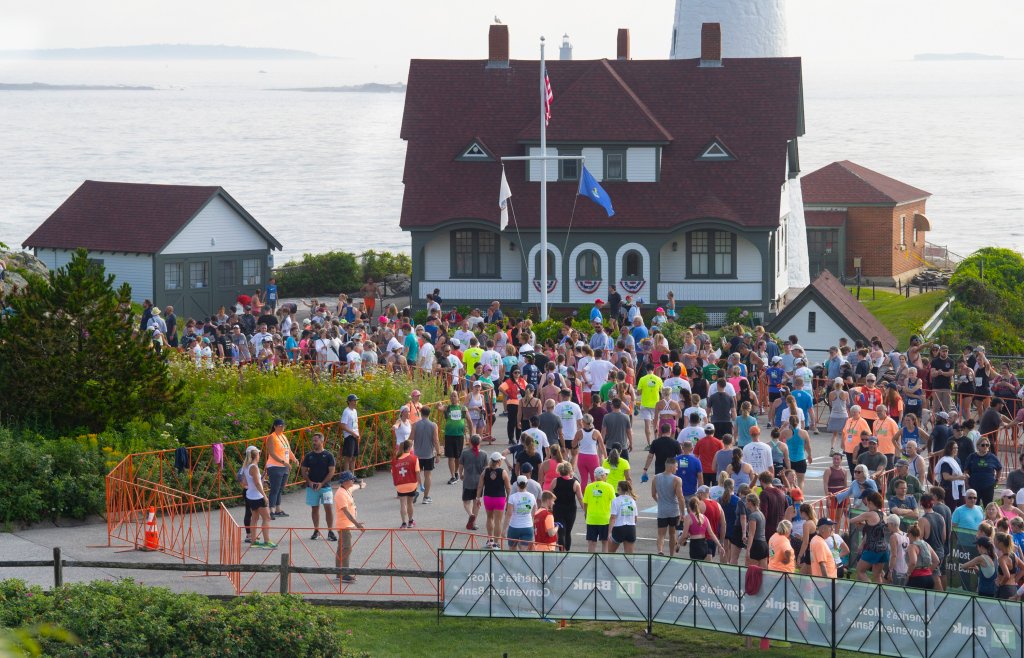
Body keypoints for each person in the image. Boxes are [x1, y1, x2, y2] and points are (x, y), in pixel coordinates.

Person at [301, 432, 337, 541]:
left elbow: (331, 472)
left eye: (316, 441)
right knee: (314, 509)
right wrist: (310, 482)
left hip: (325, 487)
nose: (314, 443)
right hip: (312, 487)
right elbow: (303, 471)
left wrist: (322, 483)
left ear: (322, 441)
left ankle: (330, 531)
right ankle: (316, 530)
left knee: (328, 508)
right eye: (313, 441)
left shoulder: (329, 455)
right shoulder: (309, 456)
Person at [242, 446, 276, 549]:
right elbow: (256, 483)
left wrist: (261, 482)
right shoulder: (254, 467)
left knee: (255, 518)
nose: (259, 456)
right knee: (267, 518)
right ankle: (266, 541)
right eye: (258, 454)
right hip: (257, 496)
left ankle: (253, 541)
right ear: (256, 455)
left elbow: (245, 482)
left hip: (250, 495)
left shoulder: (246, 467)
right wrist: (265, 496)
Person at [334, 471, 365, 584]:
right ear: (346, 481)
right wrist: (357, 525)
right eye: (352, 479)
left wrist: (361, 485)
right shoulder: (340, 494)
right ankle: (344, 574)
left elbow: (355, 487)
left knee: (341, 549)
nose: (353, 480)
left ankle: (338, 572)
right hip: (344, 526)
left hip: (346, 525)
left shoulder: (346, 489)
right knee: (347, 549)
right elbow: (346, 512)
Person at [264, 419, 299, 519]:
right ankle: (271, 511)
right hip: (275, 466)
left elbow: (288, 450)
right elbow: (272, 453)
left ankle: (278, 509)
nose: (282, 428)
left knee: (280, 489)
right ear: (275, 426)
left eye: (283, 426)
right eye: (280, 426)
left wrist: (294, 459)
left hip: (284, 467)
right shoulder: (271, 437)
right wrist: (284, 462)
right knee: (275, 489)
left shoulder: (283, 436)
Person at [852, 492, 888, 583]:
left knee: (860, 571)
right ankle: (879, 595)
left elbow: (851, 520)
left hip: (872, 548)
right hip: (883, 548)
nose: (866, 505)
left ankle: (870, 591)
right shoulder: (883, 514)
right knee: (877, 576)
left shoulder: (869, 514)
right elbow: (876, 526)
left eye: (867, 503)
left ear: (871, 503)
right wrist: (865, 524)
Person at [478, 452, 511, 549]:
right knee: (498, 521)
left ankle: (490, 539)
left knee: (489, 518)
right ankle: (496, 543)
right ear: (499, 461)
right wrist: (509, 499)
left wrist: (477, 498)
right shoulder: (503, 472)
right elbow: (508, 488)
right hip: (499, 498)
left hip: (488, 497)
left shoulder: (485, 471)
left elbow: (480, 486)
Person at [550, 461, 584, 551]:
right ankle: (567, 550)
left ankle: (561, 550)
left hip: (558, 509)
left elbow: (550, 495)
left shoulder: (555, 481)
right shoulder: (575, 483)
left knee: (561, 531)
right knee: (568, 531)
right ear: (570, 471)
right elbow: (580, 498)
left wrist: (548, 508)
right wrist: (585, 510)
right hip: (571, 510)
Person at [652, 465, 685, 556]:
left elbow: (653, 494)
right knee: (672, 534)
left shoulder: (656, 478)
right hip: (674, 510)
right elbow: (680, 497)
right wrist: (682, 513)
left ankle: (660, 550)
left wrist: (660, 502)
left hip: (662, 510)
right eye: (676, 467)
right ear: (671, 467)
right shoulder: (677, 479)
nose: (677, 469)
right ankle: (671, 555)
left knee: (661, 534)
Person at [917, 494, 947, 591]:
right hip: (940, 551)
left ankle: (941, 602)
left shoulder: (922, 520)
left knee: (935, 579)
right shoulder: (941, 517)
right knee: (932, 580)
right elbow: (944, 537)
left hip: (930, 554)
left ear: (921, 504)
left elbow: (919, 541)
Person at [411, 406, 440, 504]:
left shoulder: (415, 425)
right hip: (428, 454)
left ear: (420, 413)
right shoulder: (433, 425)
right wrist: (438, 453)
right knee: (428, 475)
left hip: (417, 455)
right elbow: (436, 440)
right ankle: (426, 497)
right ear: (429, 413)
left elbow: (411, 438)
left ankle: (414, 492)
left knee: (416, 475)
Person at [583, 467, 616, 553]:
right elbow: (614, 503)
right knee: (605, 542)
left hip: (591, 519)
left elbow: (585, 503)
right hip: (604, 519)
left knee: (591, 543)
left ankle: (591, 562)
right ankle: (603, 562)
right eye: (606, 474)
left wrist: (586, 514)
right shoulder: (609, 487)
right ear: (602, 476)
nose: (606, 476)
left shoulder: (589, 487)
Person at [680, 495, 723, 561]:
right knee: (704, 569)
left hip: (695, 546)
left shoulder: (688, 518)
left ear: (689, 507)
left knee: (696, 569)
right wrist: (720, 546)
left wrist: (678, 544)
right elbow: (712, 534)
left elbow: (684, 535)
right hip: (704, 545)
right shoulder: (705, 518)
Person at [459, 435, 488, 531]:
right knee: (476, 502)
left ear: (470, 442)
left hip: (468, 481)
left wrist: (460, 474)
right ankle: (474, 523)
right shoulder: (484, 454)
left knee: (466, 502)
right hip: (479, 482)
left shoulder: (465, 453)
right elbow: (486, 468)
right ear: (479, 443)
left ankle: (470, 514)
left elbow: (461, 465)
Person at [440, 391, 469, 485]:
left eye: (454, 396)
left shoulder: (462, 408)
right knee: (450, 457)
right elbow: (440, 408)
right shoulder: (447, 408)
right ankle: (452, 476)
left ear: (458, 398)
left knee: (458, 457)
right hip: (449, 435)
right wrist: (438, 405)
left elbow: (470, 421)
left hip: (459, 436)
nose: (452, 397)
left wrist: (472, 435)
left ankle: (456, 472)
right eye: (451, 396)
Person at [964, 436, 1002, 506]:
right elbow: (966, 471)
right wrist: (966, 484)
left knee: (988, 505)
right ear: (978, 446)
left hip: (988, 486)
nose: (985, 447)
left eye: (987, 445)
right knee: (974, 505)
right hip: (974, 485)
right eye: (983, 445)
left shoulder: (992, 457)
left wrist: (997, 480)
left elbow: (999, 468)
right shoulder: (972, 456)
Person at [391, 439, 420, 528]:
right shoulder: (414, 458)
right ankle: (410, 521)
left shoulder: (395, 460)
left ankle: (404, 523)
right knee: (410, 503)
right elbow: (417, 472)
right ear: (409, 448)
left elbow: (392, 472)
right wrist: (420, 484)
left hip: (400, 485)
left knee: (402, 504)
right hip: (411, 484)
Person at [504, 475, 537, 551]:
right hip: (527, 526)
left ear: (517, 484)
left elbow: (509, 514)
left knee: (512, 551)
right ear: (527, 484)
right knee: (524, 553)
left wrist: (504, 529)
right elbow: (534, 513)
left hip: (514, 527)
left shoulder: (512, 497)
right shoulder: (532, 496)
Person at [574, 414, 606, 490]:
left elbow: (573, 444)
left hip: (582, 457)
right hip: (593, 458)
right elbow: (602, 446)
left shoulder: (579, 432)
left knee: (584, 480)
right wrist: (606, 456)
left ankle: (584, 498)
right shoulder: (596, 432)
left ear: (583, 422)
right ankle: (594, 495)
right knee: (594, 479)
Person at [608, 480, 639, 554]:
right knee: (629, 556)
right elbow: (635, 518)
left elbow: (613, 518)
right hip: (631, 528)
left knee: (610, 553)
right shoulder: (632, 500)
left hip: (619, 528)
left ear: (618, 489)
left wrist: (609, 532)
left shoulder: (615, 500)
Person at [782, 414, 812, 488]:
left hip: (789, 460)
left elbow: (776, 438)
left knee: (788, 481)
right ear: (798, 422)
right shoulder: (804, 433)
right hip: (801, 459)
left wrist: (782, 427)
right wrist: (810, 455)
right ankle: (800, 496)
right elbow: (808, 446)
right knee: (800, 481)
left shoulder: (785, 433)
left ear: (789, 422)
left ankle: (789, 496)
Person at [637, 367, 664, 446]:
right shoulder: (658, 379)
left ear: (646, 370)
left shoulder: (642, 379)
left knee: (647, 425)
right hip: (656, 404)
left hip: (645, 404)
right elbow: (661, 392)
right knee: (656, 424)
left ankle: (649, 444)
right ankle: (656, 441)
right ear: (653, 370)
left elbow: (638, 393)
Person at [339, 394, 362, 482]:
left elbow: (355, 424)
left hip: (355, 435)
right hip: (349, 436)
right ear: (349, 402)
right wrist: (353, 433)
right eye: (354, 400)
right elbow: (343, 425)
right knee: (348, 457)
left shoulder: (354, 411)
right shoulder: (346, 411)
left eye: (356, 400)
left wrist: (357, 434)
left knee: (354, 457)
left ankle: (352, 476)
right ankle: (346, 477)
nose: (355, 402)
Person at [744, 493, 769, 567]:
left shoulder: (753, 516)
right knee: (762, 573)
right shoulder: (761, 514)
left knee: (751, 572)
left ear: (750, 502)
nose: (745, 503)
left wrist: (748, 550)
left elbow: (751, 534)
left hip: (756, 545)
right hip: (764, 544)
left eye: (746, 501)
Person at [886, 514, 910, 586]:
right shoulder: (907, 535)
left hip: (896, 569)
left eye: (888, 524)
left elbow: (894, 555)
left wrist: (890, 571)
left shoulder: (894, 537)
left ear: (892, 524)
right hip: (906, 569)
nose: (887, 526)